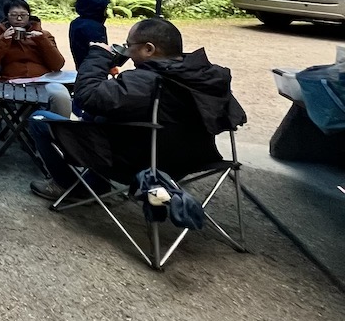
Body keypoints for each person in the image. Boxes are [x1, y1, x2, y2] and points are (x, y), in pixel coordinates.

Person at [27, 16, 242, 201]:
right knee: (100, 113)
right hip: (194, 159)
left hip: (138, 163)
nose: (127, 52)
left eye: (130, 46)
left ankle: (70, 185)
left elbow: (87, 96)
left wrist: (98, 56)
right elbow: (234, 117)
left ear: (149, 49)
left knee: (39, 119)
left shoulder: (148, 81)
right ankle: (95, 184)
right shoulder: (208, 76)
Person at [0, 0, 71, 116]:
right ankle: (29, 127)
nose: (19, 18)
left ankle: (61, 131)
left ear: (29, 16)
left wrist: (41, 41)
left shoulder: (43, 35)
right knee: (25, 103)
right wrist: (3, 40)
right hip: (14, 81)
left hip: (43, 80)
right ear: (7, 16)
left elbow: (58, 65)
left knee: (61, 95)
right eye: (14, 15)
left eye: (23, 15)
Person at [68, 0, 110, 68]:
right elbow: (100, 51)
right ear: (97, 9)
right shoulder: (94, 27)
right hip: (95, 69)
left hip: (81, 67)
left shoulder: (76, 22)